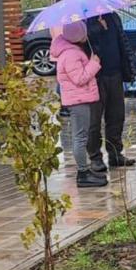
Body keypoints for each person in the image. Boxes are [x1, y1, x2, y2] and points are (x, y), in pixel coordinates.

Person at [85, 0, 136, 171]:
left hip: (115, 74)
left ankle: (115, 153)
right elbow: (83, 41)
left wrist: (130, 67)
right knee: (94, 120)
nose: (111, 1)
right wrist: (97, 28)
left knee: (116, 117)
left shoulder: (114, 17)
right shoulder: (86, 19)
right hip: (95, 77)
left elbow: (123, 43)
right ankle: (95, 157)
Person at [53, 21, 107, 188]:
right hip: (79, 100)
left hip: (80, 99)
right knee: (80, 137)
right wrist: (94, 63)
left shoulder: (71, 51)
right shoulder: (71, 55)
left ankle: (84, 172)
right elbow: (80, 79)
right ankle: (83, 173)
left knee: (80, 136)